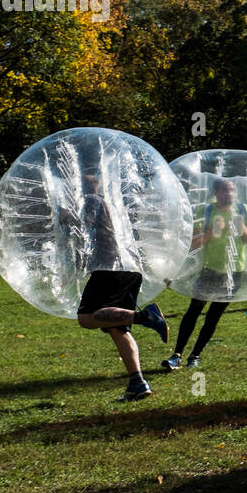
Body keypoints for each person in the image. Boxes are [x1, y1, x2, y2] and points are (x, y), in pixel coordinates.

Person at [61, 172, 169, 402]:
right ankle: (137, 383)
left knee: (86, 317)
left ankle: (146, 317)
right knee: (117, 327)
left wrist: (66, 216)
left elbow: (83, 227)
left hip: (109, 269)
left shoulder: (90, 199)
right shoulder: (110, 202)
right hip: (128, 268)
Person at [162, 177, 247, 371]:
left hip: (235, 272)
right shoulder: (206, 211)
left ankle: (195, 355)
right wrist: (212, 231)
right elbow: (195, 244)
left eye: (231, 190)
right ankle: (177, 355)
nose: (229, 194)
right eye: (224, 190)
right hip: (209, 270)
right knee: (193, 311)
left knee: (213, 317)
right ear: (216, 194)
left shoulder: (244, 210)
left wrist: (243, 229)